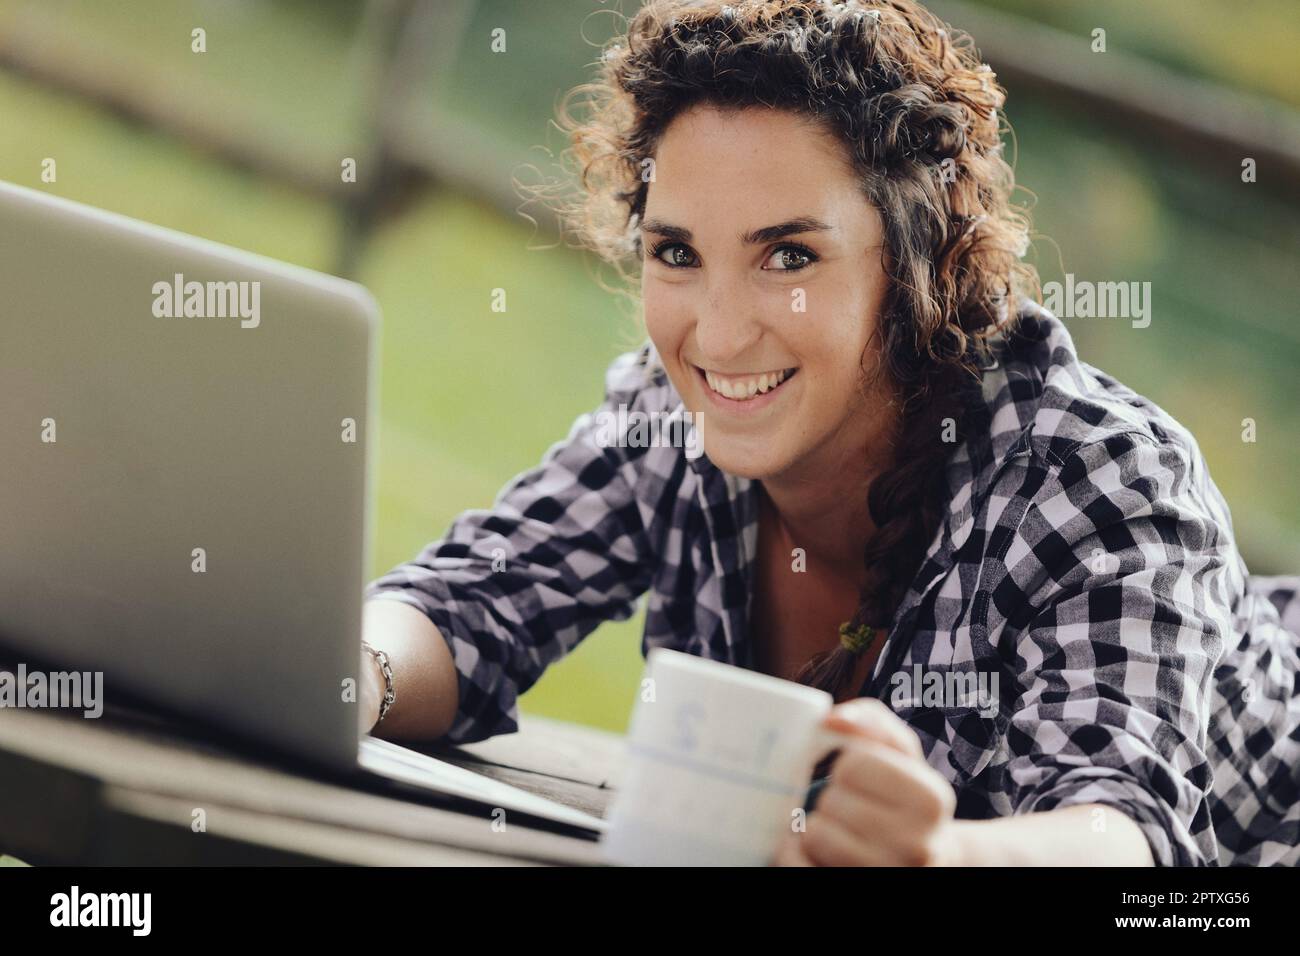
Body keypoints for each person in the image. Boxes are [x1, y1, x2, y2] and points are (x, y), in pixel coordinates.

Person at [358, 0, 1300, 866]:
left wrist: (944, 856)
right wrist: (355, 670)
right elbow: (474, 603)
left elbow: (1127, 841)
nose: (719, 336)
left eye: (790, 256)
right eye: (677, 253)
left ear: (916, 261)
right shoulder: (669, 421)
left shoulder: (1098, 478)